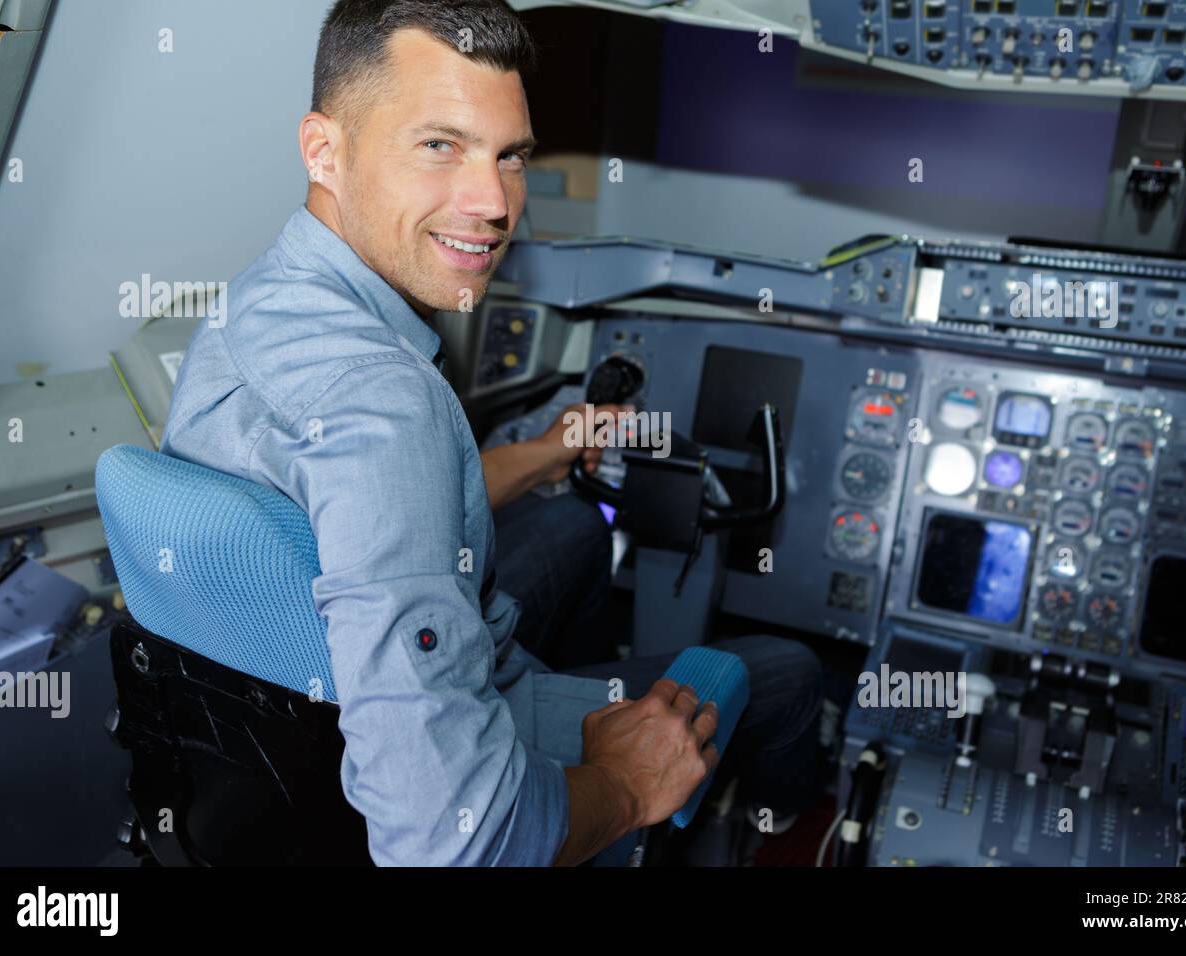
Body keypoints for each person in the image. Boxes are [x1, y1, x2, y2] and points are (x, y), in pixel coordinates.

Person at [160, 0, 823, 866]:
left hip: (273, 734)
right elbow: (452, 839)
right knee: (788, 671)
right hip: (413, 761)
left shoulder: (267, 295)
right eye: (441, 145)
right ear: (325, 149)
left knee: (579, 524)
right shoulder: (385, 406)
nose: (495, 202)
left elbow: (367, 493)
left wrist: (554, 449)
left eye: (509, 155)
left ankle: (575, 685)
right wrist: (620, 784)